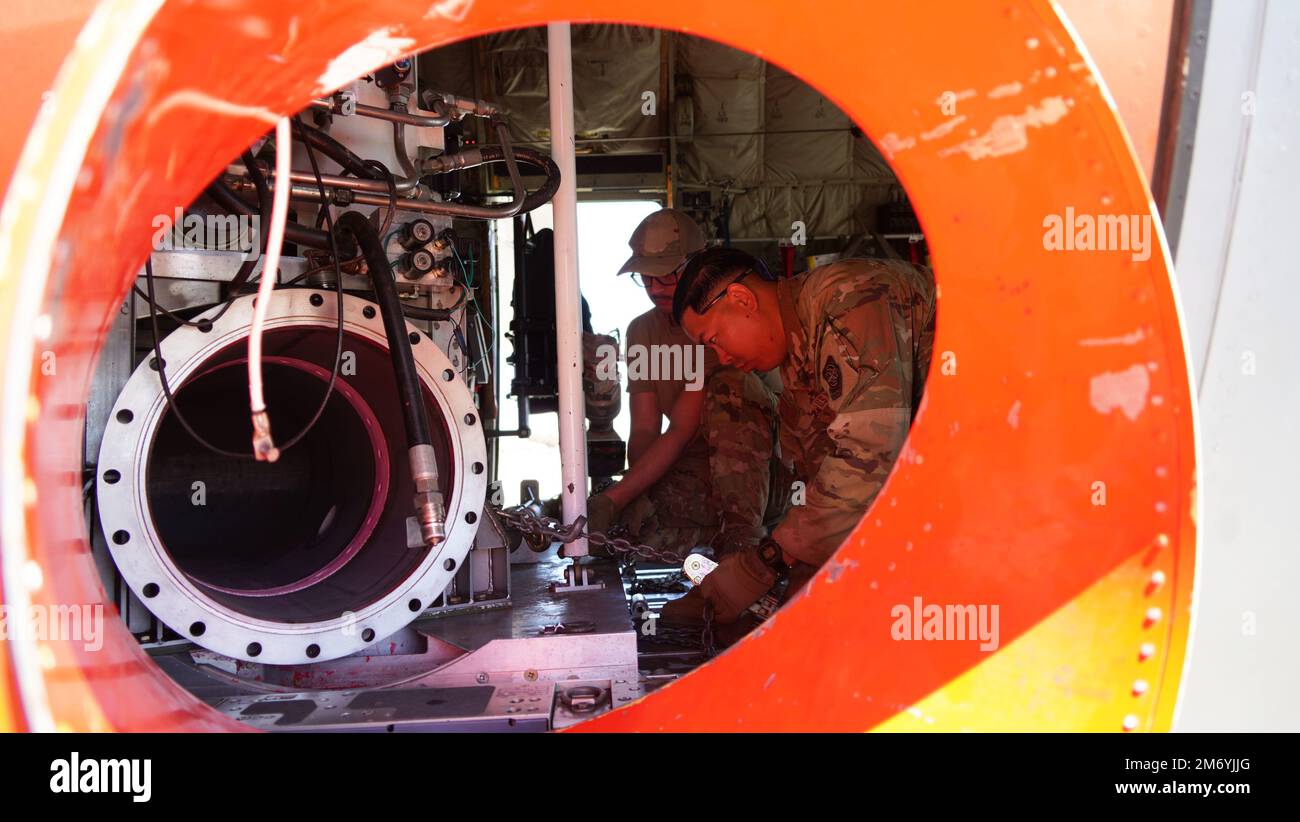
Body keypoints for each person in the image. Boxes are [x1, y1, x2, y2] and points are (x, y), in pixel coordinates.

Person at [661, 247, 936, 625]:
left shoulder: (849, 297)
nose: (721, 357)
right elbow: (826, 481)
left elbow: (871, 457)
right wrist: (791, 587)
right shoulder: (797, 351)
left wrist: (764, 564)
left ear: (741, 299)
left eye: (714, 339)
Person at [582, 209, 781, 561]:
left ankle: (742, 544)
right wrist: (637, 494)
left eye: (666, 275)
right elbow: (644, 428)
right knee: (630, 528)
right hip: (686, 469)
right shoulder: (642, 331)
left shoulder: (717, 322)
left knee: (729, 388)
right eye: (645, 277)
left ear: (697, 266)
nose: (655, 288)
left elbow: (681, 428)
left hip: (759, 475)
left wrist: (616, 497)